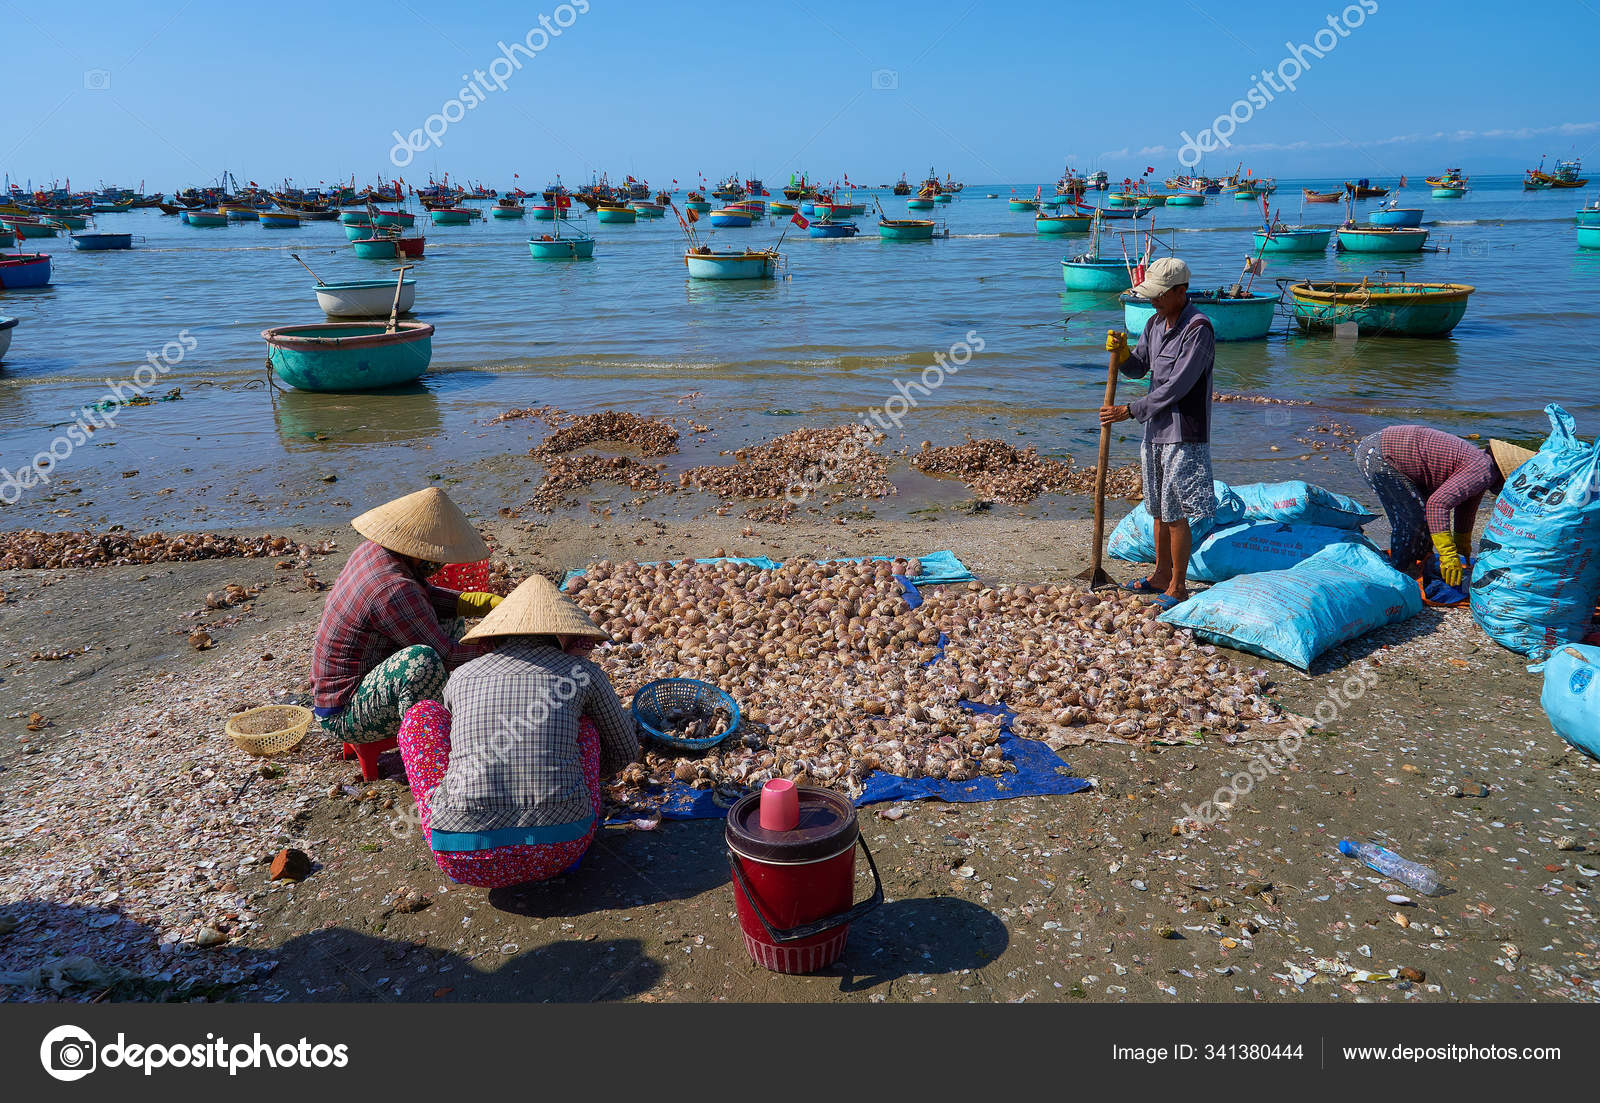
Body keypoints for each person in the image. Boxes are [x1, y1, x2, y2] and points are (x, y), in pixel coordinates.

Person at [395, 574, 638, 888]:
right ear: (564, 635)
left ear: (495, 636)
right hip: (563, 848)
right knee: (586, 726)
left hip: (463, 860)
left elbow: (459, 740)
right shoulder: (583, 672)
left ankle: (454, 816)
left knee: (422, 716)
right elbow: (625, 750)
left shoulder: (462, 676)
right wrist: (587, 775)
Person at [311, 487, 504, 746]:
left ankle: (448, 696)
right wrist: (502, 647)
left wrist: (476, 602)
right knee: (423, 661)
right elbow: (446, 655)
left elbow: (422, 598)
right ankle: (429, 744)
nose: (439, 563)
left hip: (360, 674)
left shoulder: (374, 550)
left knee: (451, 614)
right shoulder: (392, 589)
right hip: (343, 712)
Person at [1100, 256, 1216, 610]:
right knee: (1157, 508)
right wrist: (1121, 354)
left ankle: (1179, 586)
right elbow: (1139, 368)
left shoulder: (1199, 328)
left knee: (1176, 511)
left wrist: (1129, 410)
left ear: (1181, 291)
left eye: (1160, 295)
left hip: (1184, 431)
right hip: (1155, 430)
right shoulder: (1153, 323)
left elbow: (1177, 387)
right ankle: (1161, 573)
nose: (1153, 301)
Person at [1354, 427, 1535, 586]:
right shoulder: (1483, 470)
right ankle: (1400, 573)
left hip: (1381, 449)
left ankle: (1419, 564)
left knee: (1422, 519)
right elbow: (1437, 505)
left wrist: (1461, 542)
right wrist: (1448, 554)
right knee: (1413, 520)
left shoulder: (1485, 468)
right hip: (1379, 455)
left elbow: (1466, 508)